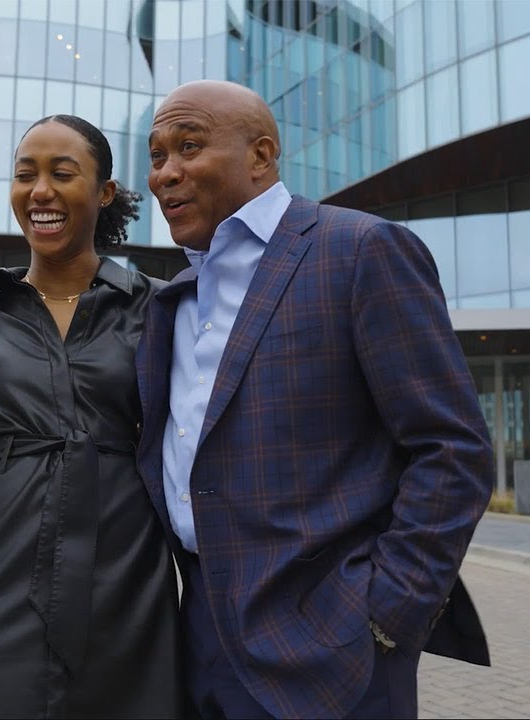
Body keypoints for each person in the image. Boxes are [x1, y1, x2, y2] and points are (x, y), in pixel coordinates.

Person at [135, 80, 495, 720]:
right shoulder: (175, 297)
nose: (166, 173)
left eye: (188, 147)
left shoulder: (360, 250)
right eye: (157, 155)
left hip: (334, 648)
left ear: (261, 156)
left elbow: (452, 450)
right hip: (198, 636)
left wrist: (387, 614)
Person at [0, 114, 181, 719]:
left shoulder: (160, 308)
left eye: (61, 174)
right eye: (25, 175)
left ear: (104, 193)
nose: (39, 190)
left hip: (127, 577)